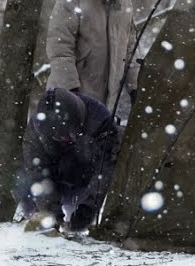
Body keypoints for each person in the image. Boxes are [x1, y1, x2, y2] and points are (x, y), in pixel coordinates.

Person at [46, 0, 139, 120]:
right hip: (74, 94)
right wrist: (70, 89)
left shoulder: (124, 3)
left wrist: (134, 86)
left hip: (107, 101)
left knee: (96, 145)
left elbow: (130, 48)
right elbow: (60, 47)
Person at [15, 88, 120, 233]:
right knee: (23, 181)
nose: (64, 139)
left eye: (67, 134)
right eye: (57, 137)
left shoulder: (101, 123)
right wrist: (51, 213)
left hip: (85, 181)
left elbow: (104, 171)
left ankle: (76, 219)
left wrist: (87, 208)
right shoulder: (36, 131)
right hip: (55, 179)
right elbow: (37, 172)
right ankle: (36, 221)